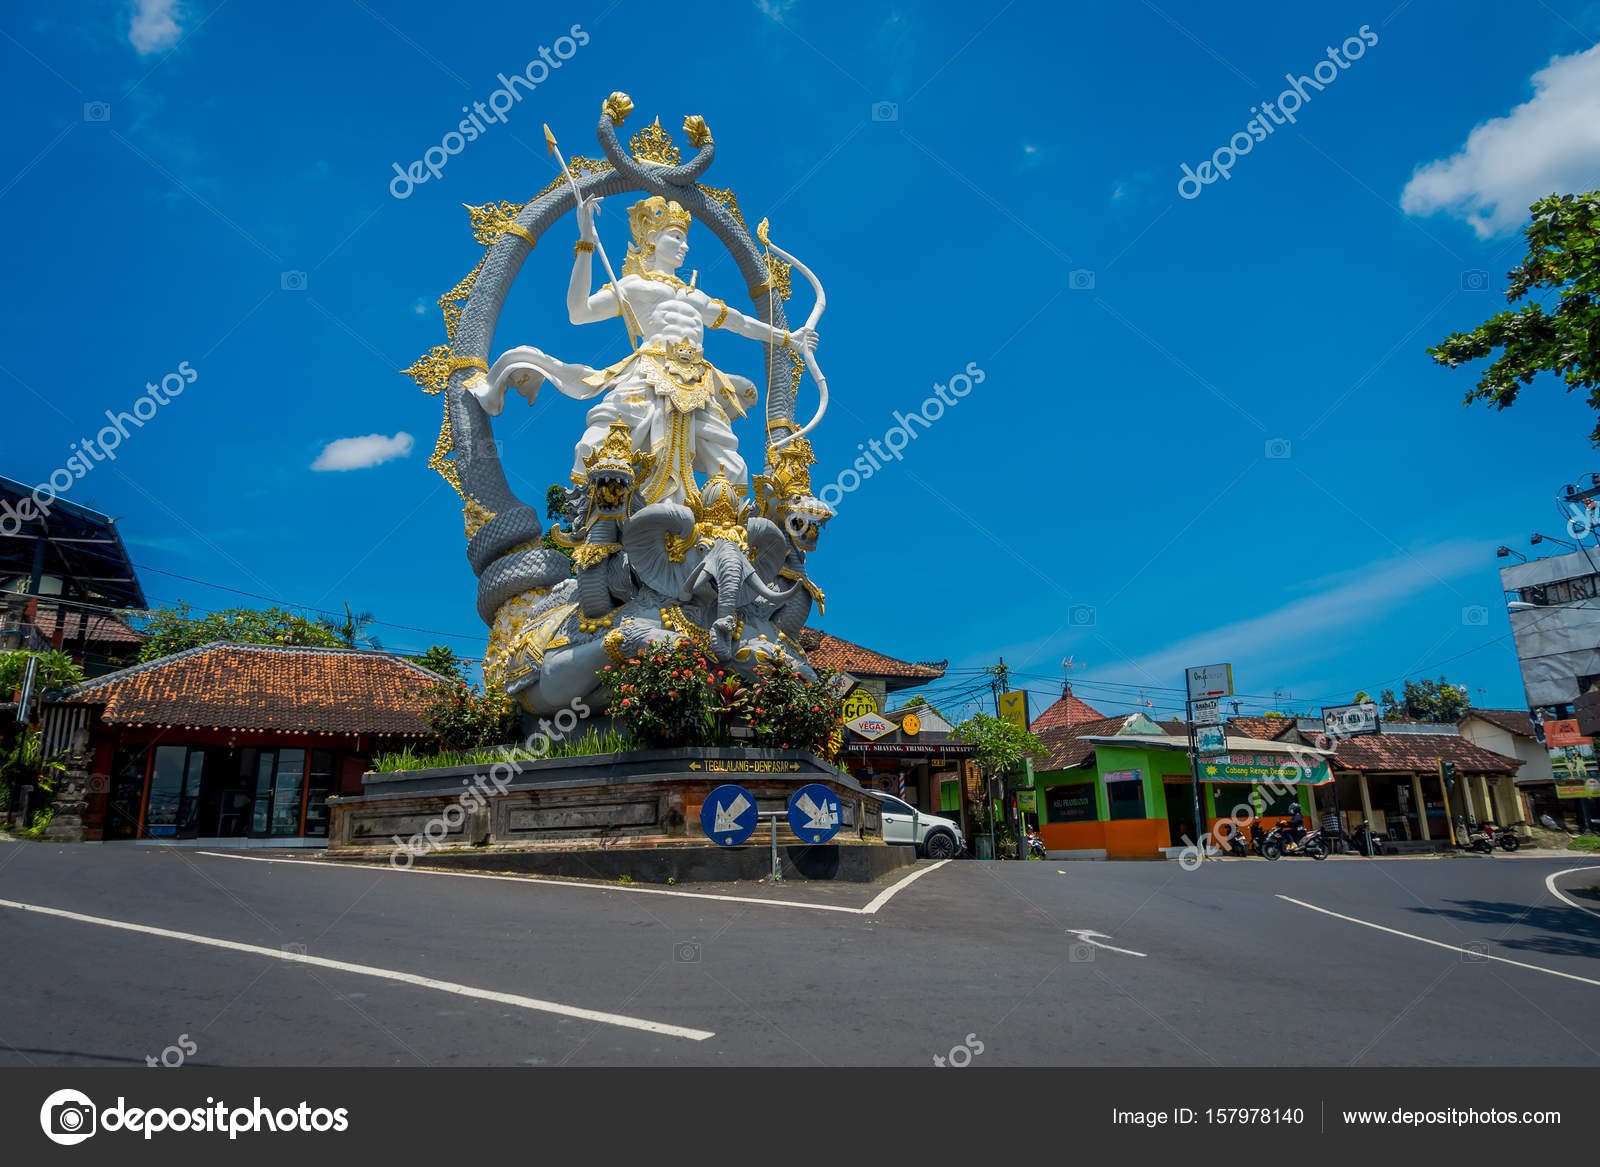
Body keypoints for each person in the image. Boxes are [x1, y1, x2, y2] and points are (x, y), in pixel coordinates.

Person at [477, 195, 819, 506]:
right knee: (596, 444)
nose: (685, 247)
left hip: (698, 384)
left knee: (732, 466)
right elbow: (578, 312)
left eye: (685, 239)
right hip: (649, 374)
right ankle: (596, 518)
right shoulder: (635, 285)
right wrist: (585, 243)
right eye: (676, 237)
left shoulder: (696, 297)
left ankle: (724, 536)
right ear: (652, 239)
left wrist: (790, 338)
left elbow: (742, 323)